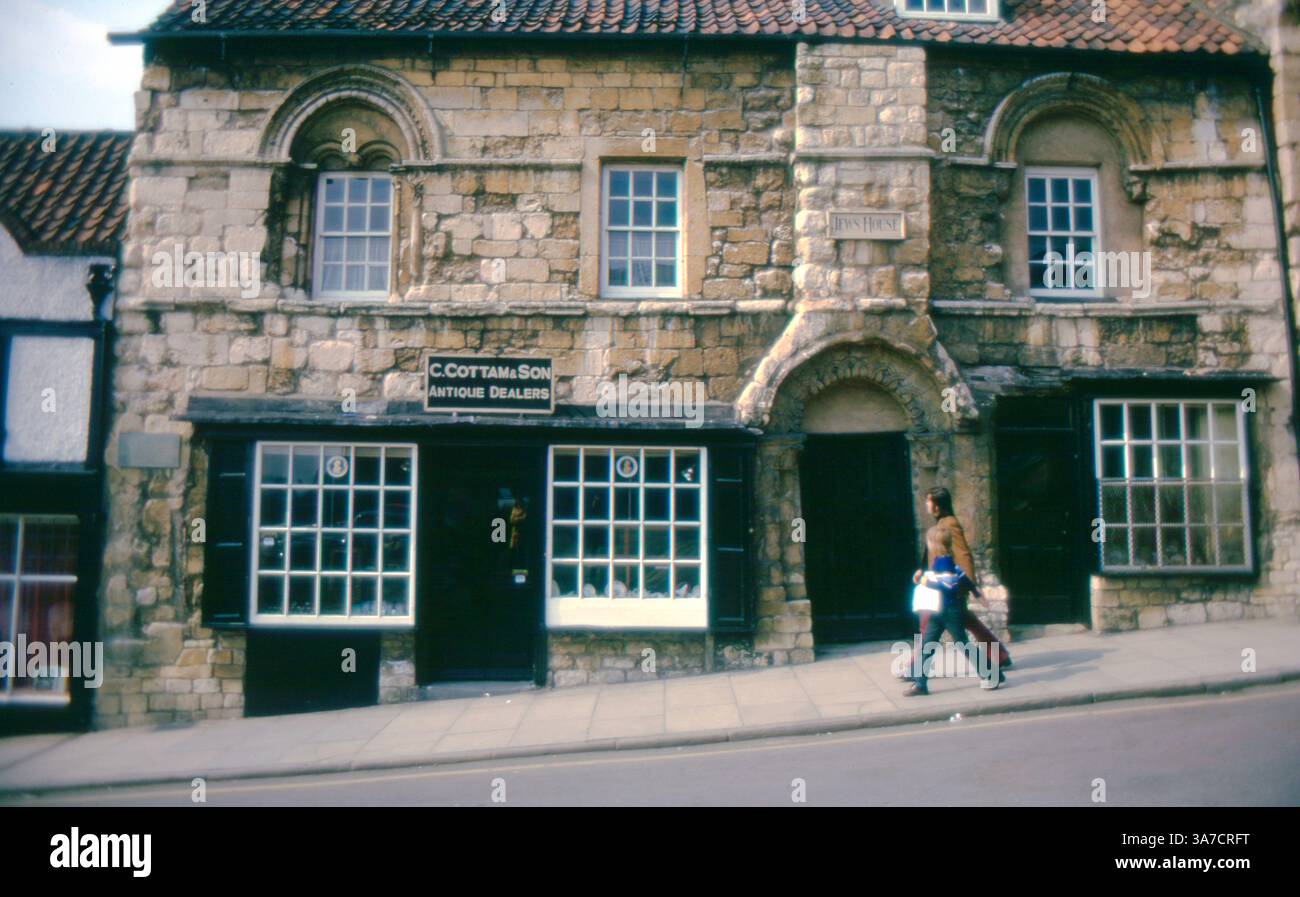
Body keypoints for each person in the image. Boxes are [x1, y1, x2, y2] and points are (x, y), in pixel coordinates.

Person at [904, 486, 1006, 695]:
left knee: (962, 643)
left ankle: (993, 672)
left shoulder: (949, 526)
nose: (926, 505)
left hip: (949, 605)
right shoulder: (940, 529)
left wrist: (926, 581)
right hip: (939, 606)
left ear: (937, 504)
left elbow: (963, 559)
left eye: (928, 501)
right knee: (928, 643)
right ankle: (920, 683)